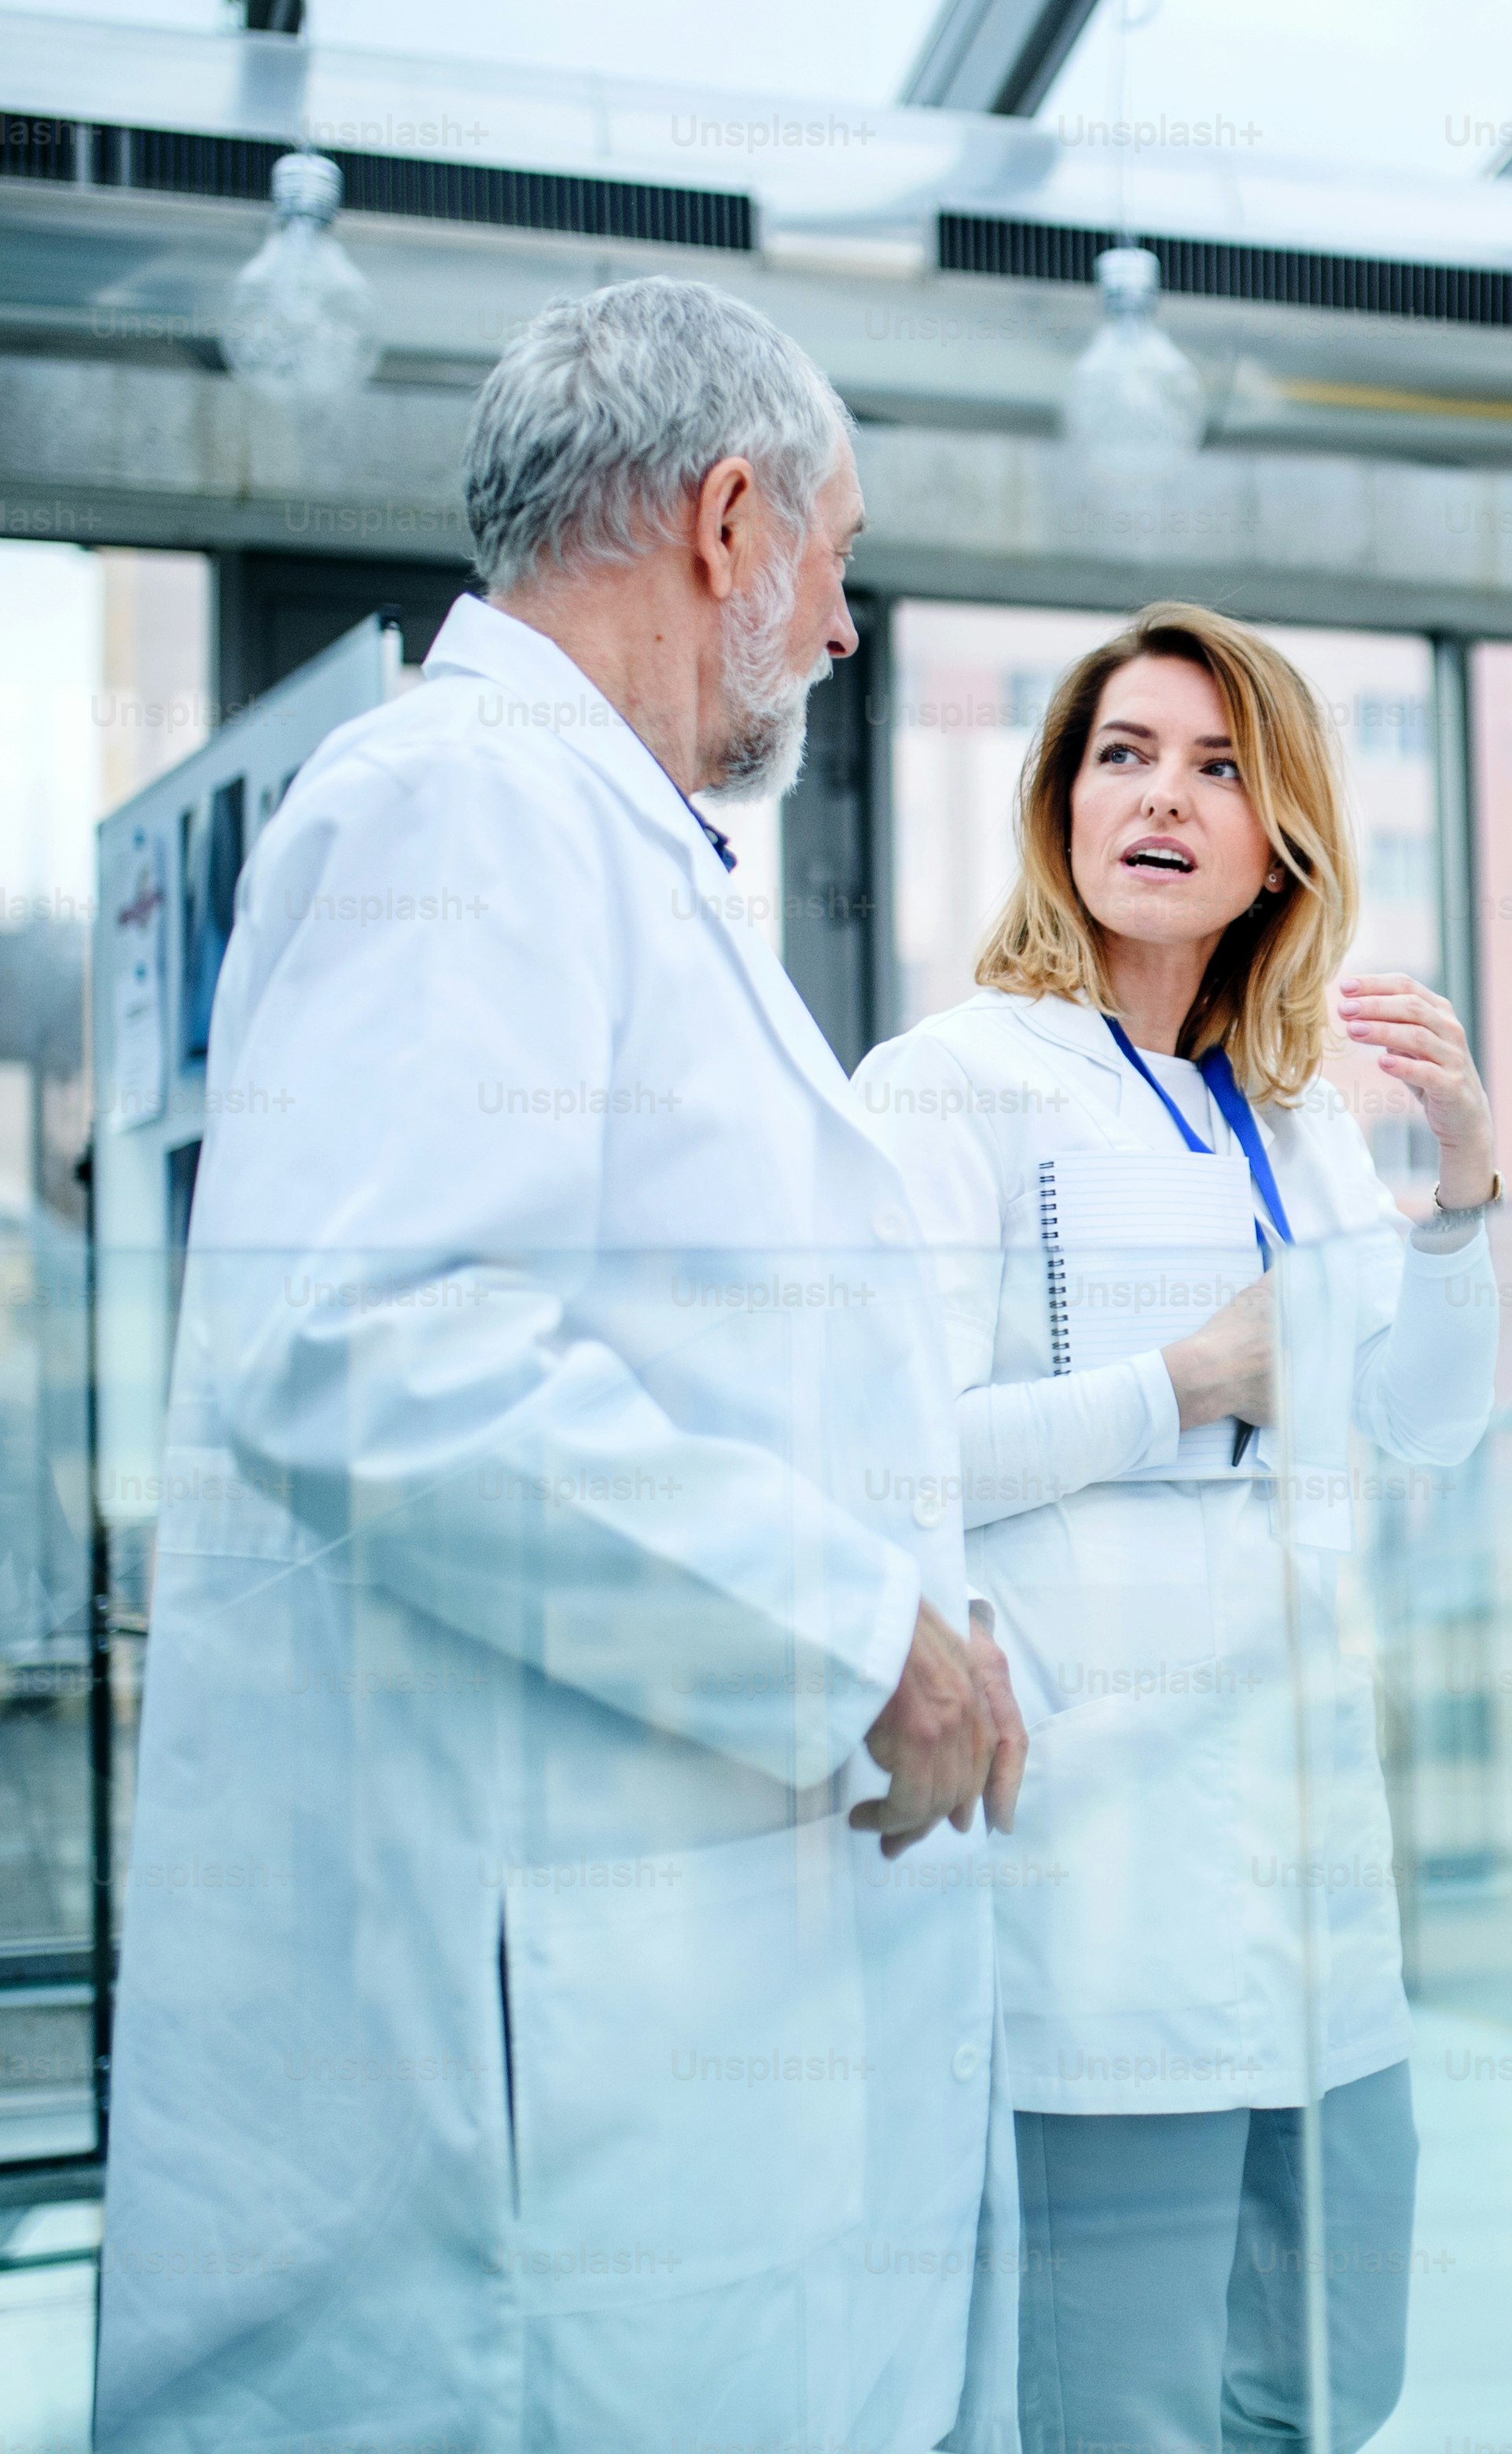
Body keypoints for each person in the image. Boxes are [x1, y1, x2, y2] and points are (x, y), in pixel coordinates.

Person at [95, 278, 1025, 2454]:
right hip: (550, 2071)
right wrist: (859, 1639)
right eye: (841, 555)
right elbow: (370, 1355)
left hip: (684, 1987)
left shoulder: (595, 841)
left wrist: (911, 1627)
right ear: (728, 523)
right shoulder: (460, 808)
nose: (843, 627)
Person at [854, 603, 1500, 2454]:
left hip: (1311, 1895)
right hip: (1092, 1886)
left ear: (1279, 833)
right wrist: (1184, 1379)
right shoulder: (944, 1086)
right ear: (1058, 803)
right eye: (1122, 754)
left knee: (1324, 2383)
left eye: (1217, 766)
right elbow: (866, 1455)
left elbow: (1425, 1419)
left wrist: (1458, 1176)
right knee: (1113, 2411)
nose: (1163, 795)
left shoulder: (1293, 1124)